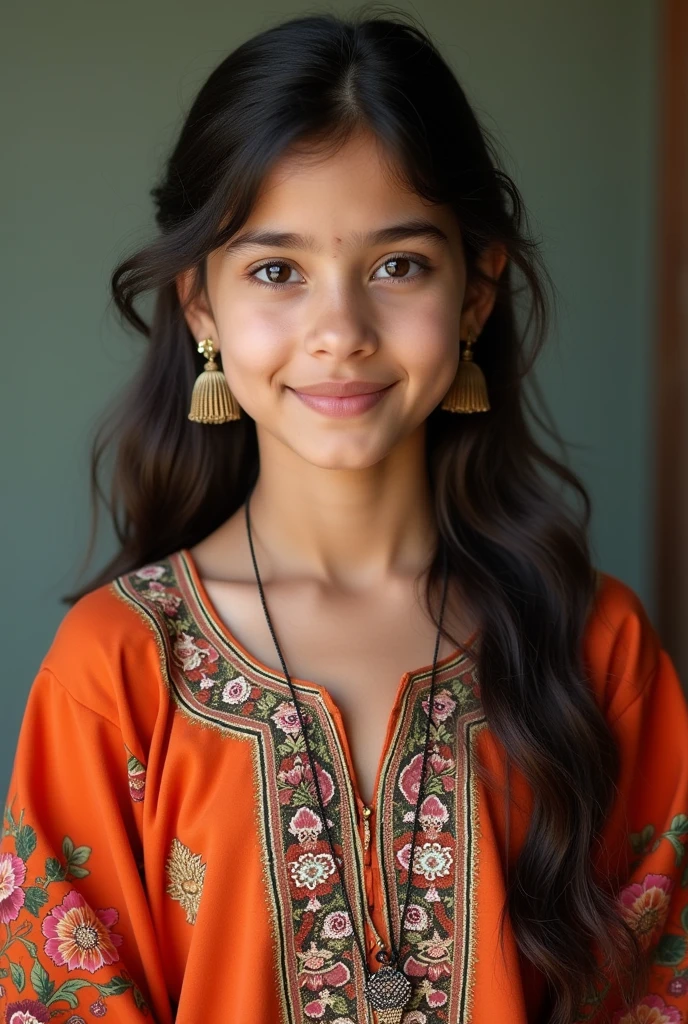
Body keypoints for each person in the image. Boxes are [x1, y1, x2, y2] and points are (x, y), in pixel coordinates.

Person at [2, 9, 687, 1024]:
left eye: (398, 264)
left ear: (475, 290)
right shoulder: (117, 668)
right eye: (276, 271)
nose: (340, 333)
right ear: (200, 305)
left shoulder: (598, 648)